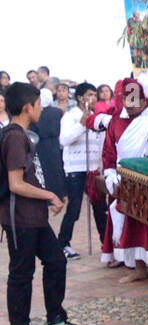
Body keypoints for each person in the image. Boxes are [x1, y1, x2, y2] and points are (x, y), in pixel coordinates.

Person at [0, 82, 87, 325]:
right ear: (28, 107)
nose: (41, 109)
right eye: (38, 104)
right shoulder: (14, 136)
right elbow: (15, 184)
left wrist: (46, 197)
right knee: (22, 273)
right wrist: (49, 195)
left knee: (56, 260)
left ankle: (56, 319)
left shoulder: (24, 134)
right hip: (20, 218)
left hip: (34, 217)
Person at [102, 75, 148, 283]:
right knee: (132, 225)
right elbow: (108, 151)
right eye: (129, 101)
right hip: (126, 180)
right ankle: (138, 267)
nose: (133, 106)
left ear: (144, 100)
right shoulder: (116, 120)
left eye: (138, 101)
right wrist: (109, 175)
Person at [58, 82, 99, 258]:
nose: (93, 98)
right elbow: (64, 139)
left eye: (95, 95)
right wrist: (82, 125)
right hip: (76, 168)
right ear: (80, 98)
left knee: (99, 206)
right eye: (90, 95)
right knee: (74, 208)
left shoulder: (98, 117)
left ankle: (107, 244)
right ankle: (63, 243)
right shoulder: (70, 116)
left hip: (93, 168)